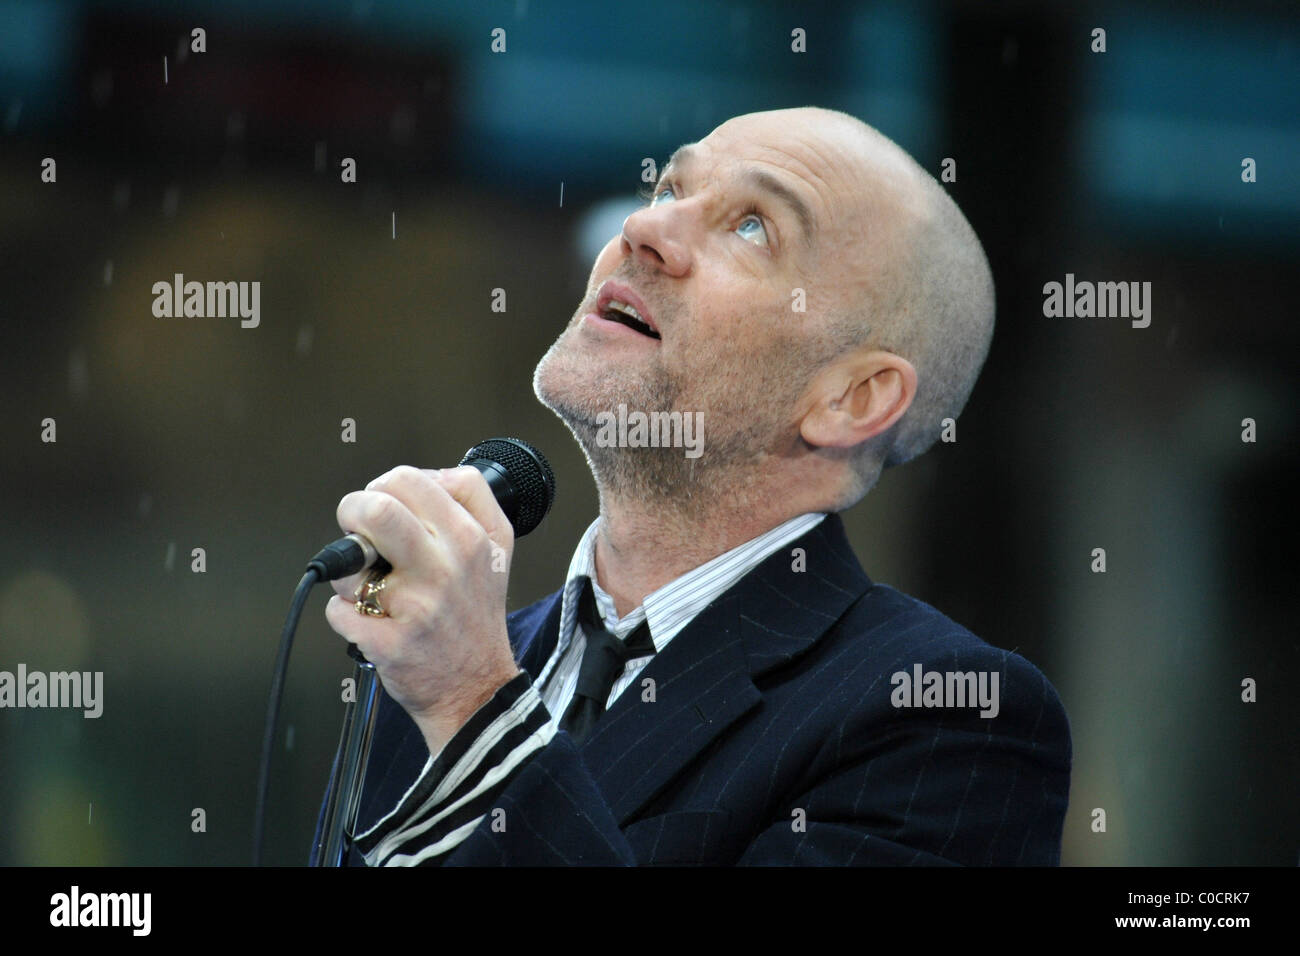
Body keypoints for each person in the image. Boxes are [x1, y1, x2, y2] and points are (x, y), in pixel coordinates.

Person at [315, 106, 1071, 866]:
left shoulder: (948, 715)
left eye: (753, 227)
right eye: (667, 190)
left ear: (853, 398)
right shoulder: (441, 658)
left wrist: (473, 708)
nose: (646, 232)